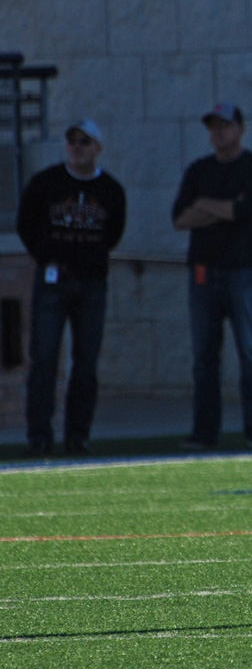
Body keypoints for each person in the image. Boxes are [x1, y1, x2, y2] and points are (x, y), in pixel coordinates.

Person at [16, 119, 127, 456]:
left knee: (86, 362)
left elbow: (113, 234)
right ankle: (40, 436)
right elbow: (26, 226)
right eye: (72, 141)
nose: (77, 147)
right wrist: (48, 255)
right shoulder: (45, 183)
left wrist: (86, 255)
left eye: (84, 141)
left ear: (97, 148)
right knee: (44, 359)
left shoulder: (110, 190)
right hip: (53, 280)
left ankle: (78, 435)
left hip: (92, 283)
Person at [171, 103, 252, 450]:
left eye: (225, 126)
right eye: (213, 127)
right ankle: (204, 433)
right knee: (204, 357)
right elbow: (180, 219)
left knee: (250, 352)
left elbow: (250, 211)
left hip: (242, 271)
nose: (219, 133)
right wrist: (226, 208)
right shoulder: (199, 170)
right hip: (203, 272)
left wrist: (205, 205)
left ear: (241, 128)